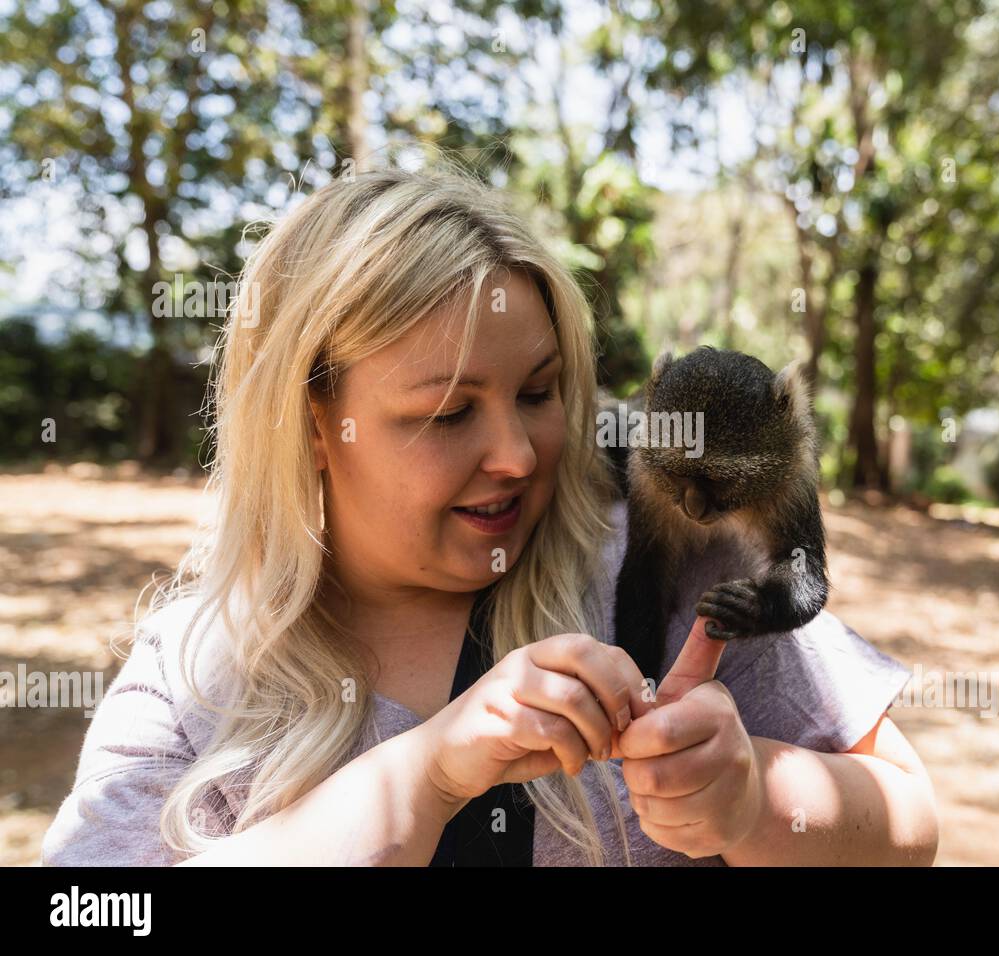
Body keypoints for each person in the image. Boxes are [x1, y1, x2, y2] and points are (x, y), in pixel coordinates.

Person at [41, 165, 938, 866]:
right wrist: (426, 774)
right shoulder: (197, 671)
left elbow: (908, 823)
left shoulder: (678, 549)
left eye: (541, 392)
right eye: (448, 412)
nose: (516, 455)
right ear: (314, 423)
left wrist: (752, 808)